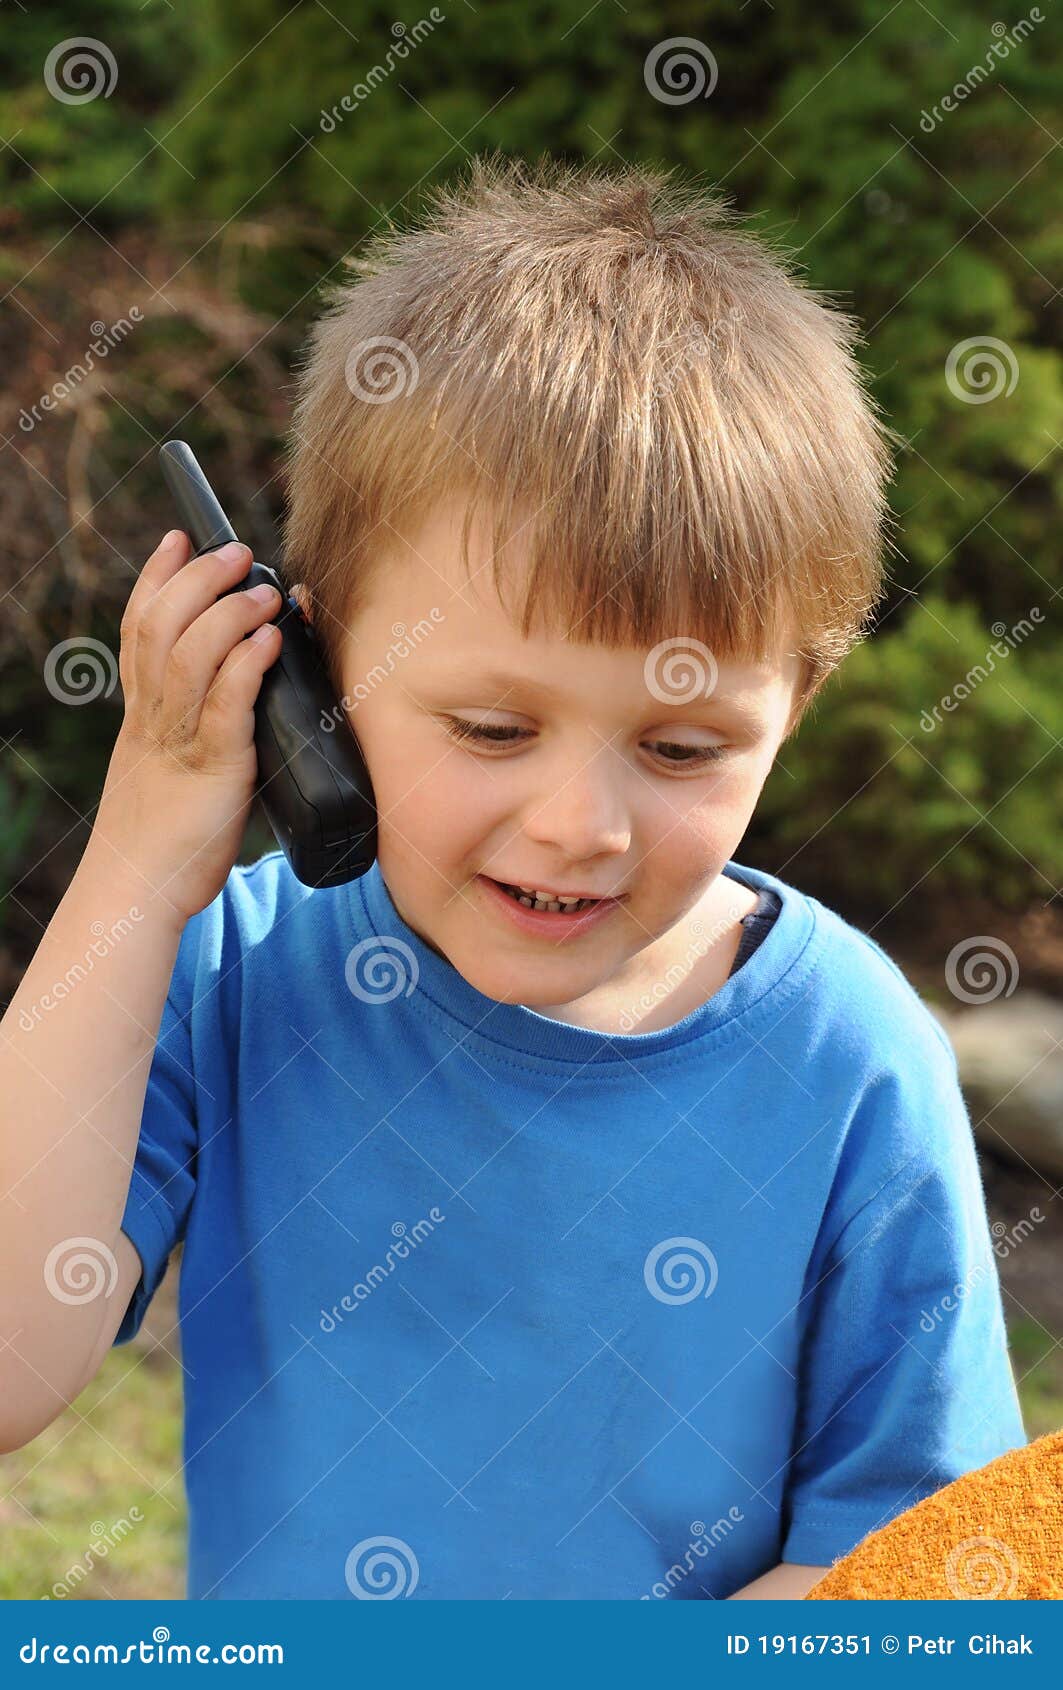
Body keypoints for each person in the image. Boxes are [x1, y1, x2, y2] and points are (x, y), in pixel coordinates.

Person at [0, 154, 1025, 1601]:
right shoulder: (239, 969)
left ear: (796, 706)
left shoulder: (851, 1059)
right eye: (491, 729)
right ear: (319, 673)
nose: (579, 825)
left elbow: (906, 1572)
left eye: (681, 747)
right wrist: (135, 866)